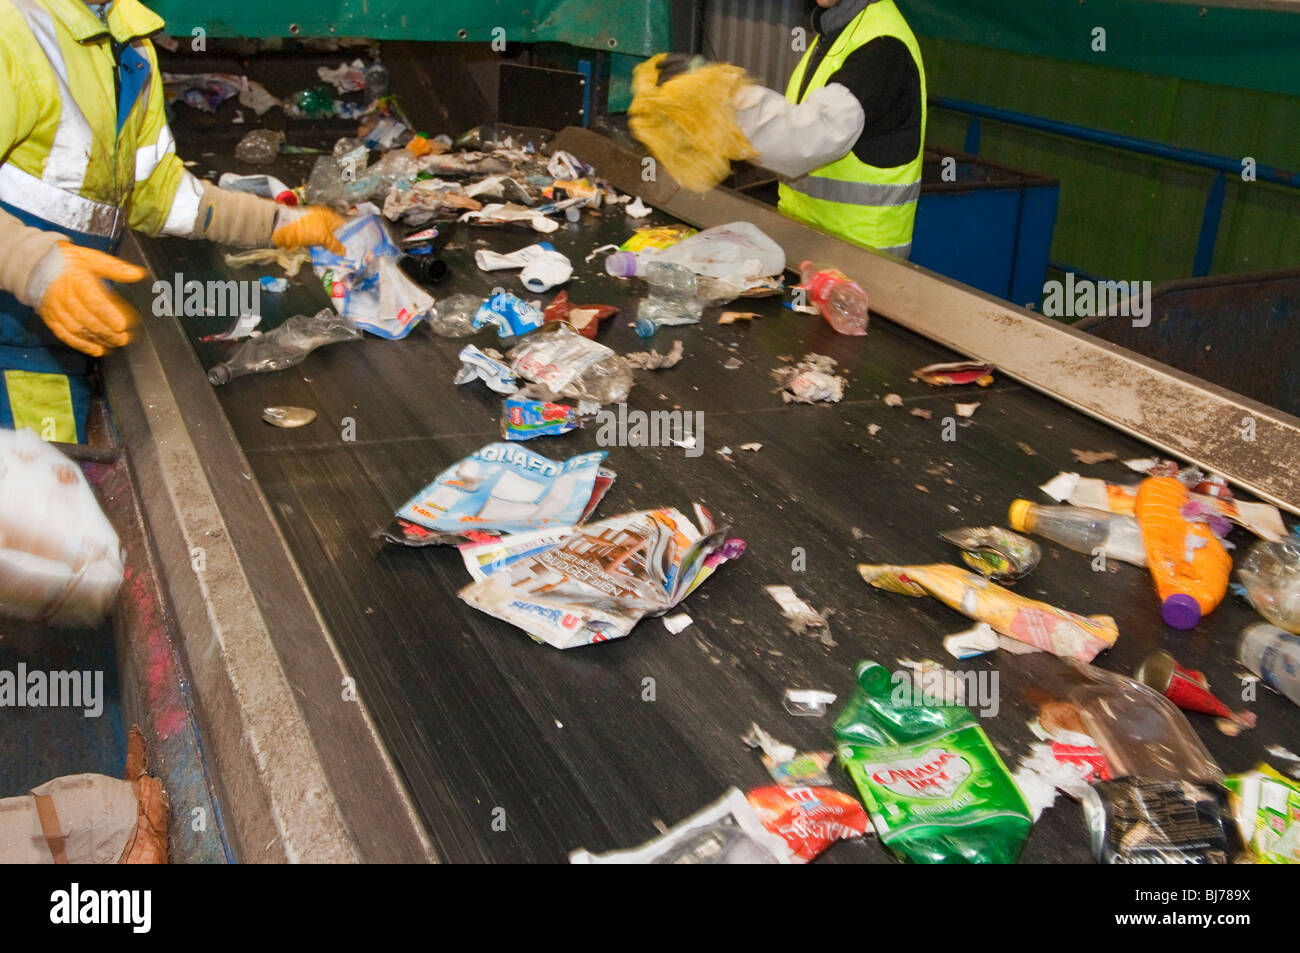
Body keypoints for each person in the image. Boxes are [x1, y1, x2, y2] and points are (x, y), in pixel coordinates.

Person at [0, 0, 345, 444]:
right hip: (13, 337)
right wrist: (33, 263)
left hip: (51, 343)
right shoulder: (13, 28)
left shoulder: (131, 43)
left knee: (49, 493)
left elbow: (155, 192)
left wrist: (277, 222)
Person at [738, 0, 926, 259]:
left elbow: (805, 139)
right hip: (811, 251)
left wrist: (717, 101)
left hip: (860, 266)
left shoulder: (883, 47)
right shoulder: (835, 32)